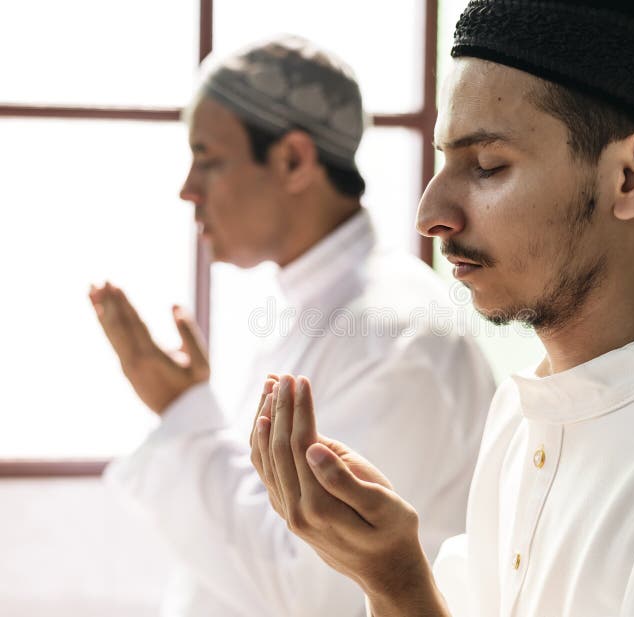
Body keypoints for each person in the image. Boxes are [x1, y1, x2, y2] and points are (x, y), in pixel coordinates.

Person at [249, 3, 634, 617]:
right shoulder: (520, 415)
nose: (431, 216)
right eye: (442, 161)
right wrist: (388, 575)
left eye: (487, 166)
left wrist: (399, 584)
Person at [88, 36, 495, 617]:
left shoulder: (397, 336)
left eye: (207, 158)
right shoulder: (313, 307)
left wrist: (182, 410)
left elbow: (314, 592)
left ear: (294, 161)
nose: (188, 189)